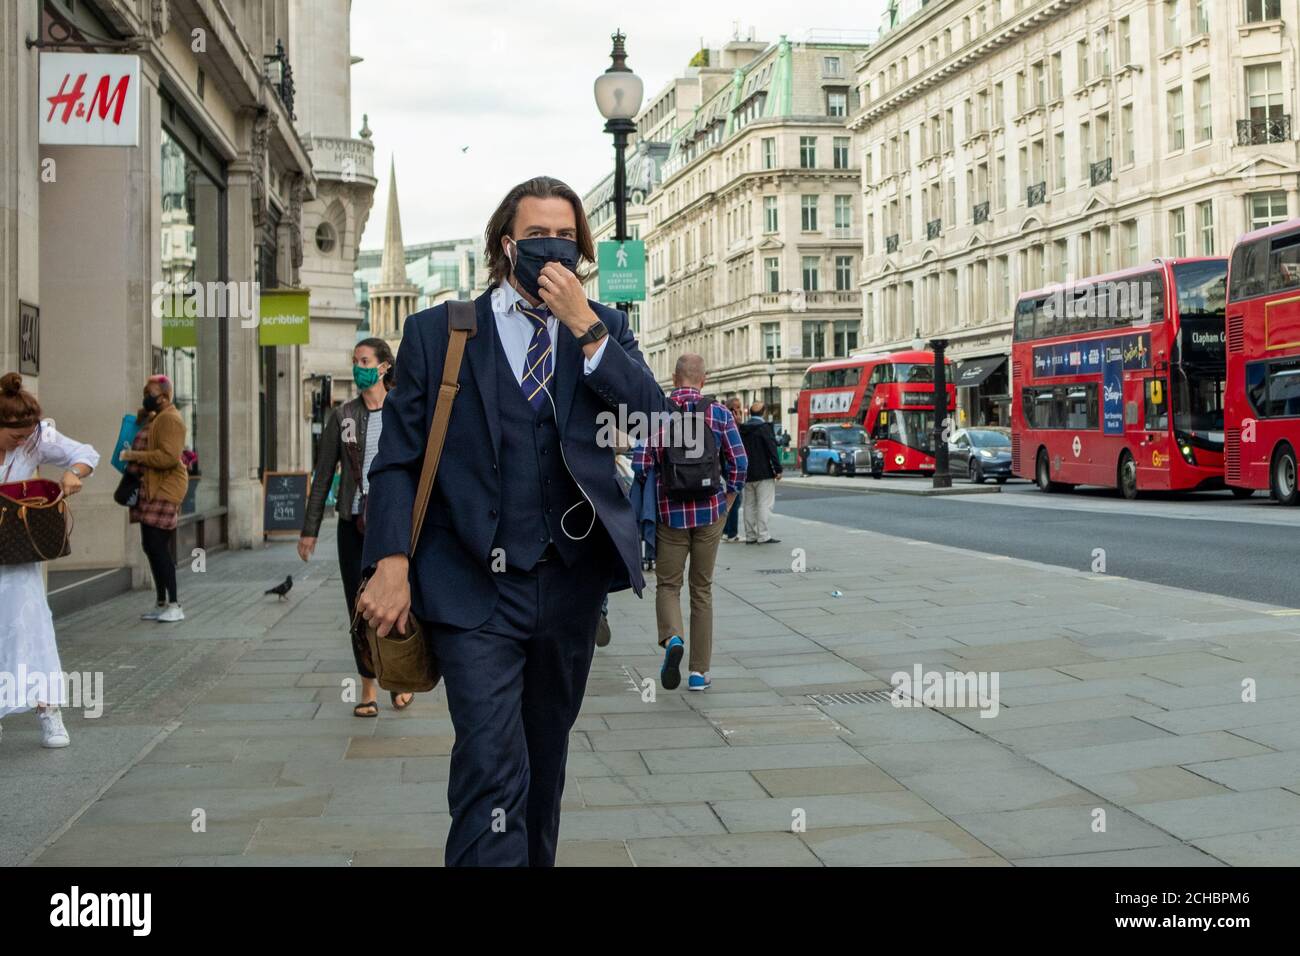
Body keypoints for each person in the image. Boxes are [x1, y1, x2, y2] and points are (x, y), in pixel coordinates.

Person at [356, 175, 672, 867]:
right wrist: (390, 561)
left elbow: (658, 426)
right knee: (489, 761)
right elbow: (397, 460)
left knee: (543, 762)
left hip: (568, 587)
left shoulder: (606, 330)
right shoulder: (440, 333)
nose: (551, 246)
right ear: (506, 244)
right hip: (470, 586)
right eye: (535, 236)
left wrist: (588, 328)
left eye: (564, 234)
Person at [299, 339, 413, 716]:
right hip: (354, 522)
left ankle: (399, 677)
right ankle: (368, 688)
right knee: (359, 605)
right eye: (355, 361)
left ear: (383, 367)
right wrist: (309, 529)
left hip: (395, 523)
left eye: (364, 361)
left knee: (397, 599)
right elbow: (322, 476)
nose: (358, 367)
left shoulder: (403, 408)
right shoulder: (343, 415)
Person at [634, 354, 747, 692]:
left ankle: (672, 639)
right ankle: (699, 673)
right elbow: (739, 463)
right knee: (702, 589)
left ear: (673, 377)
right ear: (704, 379)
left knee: (668, 585)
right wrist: (727, 499)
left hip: (671, 514)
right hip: (710, 512)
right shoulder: (720, 413)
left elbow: (641, 463)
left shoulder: (659, 414)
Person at [0, 372, 98, 748]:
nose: (23, 441)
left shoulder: (38, 437)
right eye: (15, 436)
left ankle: (49, 712)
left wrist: (73, 474)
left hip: (19, 554)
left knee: (31, 628)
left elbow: (86, 452)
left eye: (27, 434)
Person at [120, 375, 189, 622]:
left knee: (159, 548)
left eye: (149, 393)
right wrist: (143, 420)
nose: (145, 397)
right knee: (150, 546)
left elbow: (169, 457)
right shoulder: (158, 418)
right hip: (150, 489)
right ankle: (161, 602)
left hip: (165, 489)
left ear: (163, 396)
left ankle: (175, 605)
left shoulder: (170, 419)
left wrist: (134, 455)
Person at [739, 401, 783, 545]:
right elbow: (772, 449)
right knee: (764, 504)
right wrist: (778, 469)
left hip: (747, 473)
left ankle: (750, 535)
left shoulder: (743, 429)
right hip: (764, 472)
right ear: (763, 412)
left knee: (749, 505)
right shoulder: (764, 428)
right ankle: (763, 535)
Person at [721, 396, 744, 542]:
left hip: (725, 465)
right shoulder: (730, 424)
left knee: (731, 500)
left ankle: (725, 530)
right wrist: (739, 424)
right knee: (734, 500)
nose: (739, 410)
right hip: (729, 465)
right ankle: (732, 533)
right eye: (736, 407)